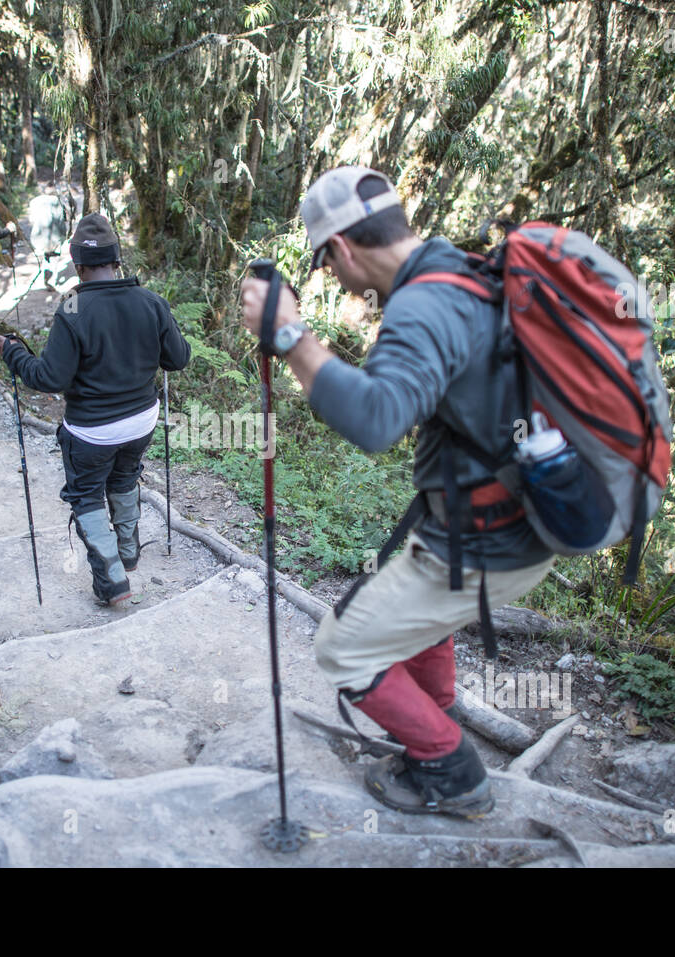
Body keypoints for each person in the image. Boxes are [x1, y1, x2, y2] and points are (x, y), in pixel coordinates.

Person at [239, 167, 555, 818]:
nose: (335, 278)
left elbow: (377, 420)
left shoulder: (421, 305)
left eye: (327, 265)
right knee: (409, 607)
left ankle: (451, 768)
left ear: (343, 249)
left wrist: (290, 334)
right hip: (522, 521)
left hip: (488, 540)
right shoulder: (461, 270)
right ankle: (431, 718)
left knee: (342, 647)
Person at [0, 213, 191, 606]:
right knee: (124, 478)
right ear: (116, 259)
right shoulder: (150, 301)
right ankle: (128, 552)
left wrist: (15, 355)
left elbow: (51, 377)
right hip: (141, 422)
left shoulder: (72, 306)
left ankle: (112, 582)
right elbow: (179, 358)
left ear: (77, 264)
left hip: (92, 430)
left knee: (86, 496)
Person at [26, 189, 71, 291]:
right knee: (54, 257)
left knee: (46, 256)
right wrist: (64, 235)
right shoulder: (57, 202)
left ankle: (46, 276)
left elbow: (31, 220)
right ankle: (51, 281)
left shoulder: (35, 201)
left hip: (39, 236)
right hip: (54, 236)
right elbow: (61, 220)